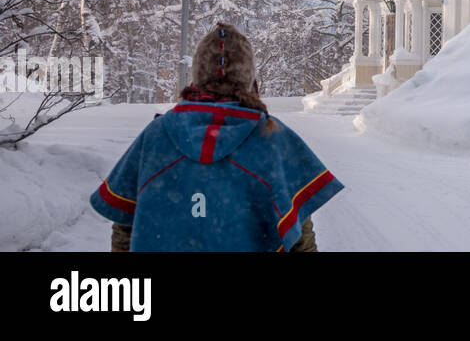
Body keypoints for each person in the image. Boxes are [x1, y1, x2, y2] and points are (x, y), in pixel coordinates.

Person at [89, 23, 344, 251]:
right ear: (249, 79)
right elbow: (300, 239)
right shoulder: (274, 140)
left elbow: (124, 228)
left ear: (198, 77)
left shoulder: (156, 136)